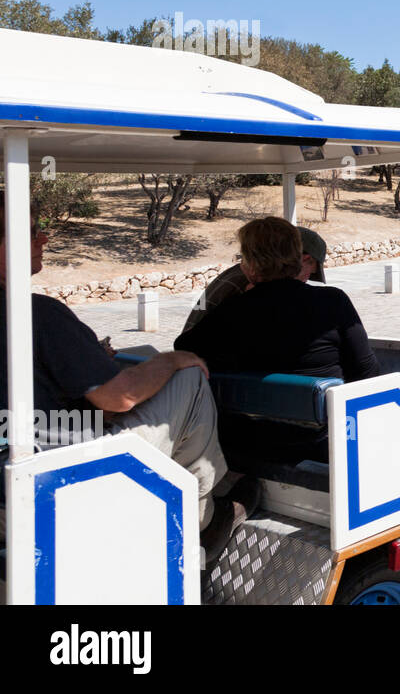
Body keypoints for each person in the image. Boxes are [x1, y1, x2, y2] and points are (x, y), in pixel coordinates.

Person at [0, 200, 243, 559]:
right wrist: (171, 360)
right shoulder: (36, 312)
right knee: (190, 376)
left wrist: (91, 358)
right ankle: (198, 518)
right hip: (59, 479)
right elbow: (119, 399)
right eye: (32, 232)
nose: (44, 239)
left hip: (20, 470)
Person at [177, 216, 378, 382]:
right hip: (325, 425)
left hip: (247, 426)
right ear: (297, 256)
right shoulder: (333, 301)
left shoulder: (233, 310)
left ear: (250, 264)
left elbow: (184, 348)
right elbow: (366, 371)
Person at [182, 226, 329, 333]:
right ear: (304, 259)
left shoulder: (239, 274)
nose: (306, 281)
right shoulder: (250, 284)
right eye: (310, 274)